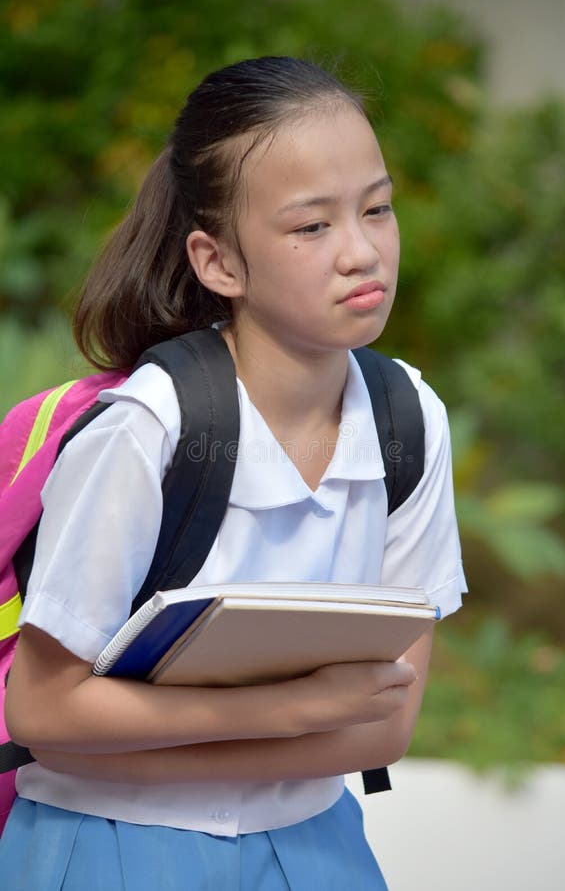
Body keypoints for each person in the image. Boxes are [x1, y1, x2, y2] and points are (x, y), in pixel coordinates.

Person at [0, 56, 467, 890]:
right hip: (110, 847)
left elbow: (385, 728)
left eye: (377, 208)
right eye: (311, 226)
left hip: (315, 848)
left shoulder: (409, 421)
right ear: (219, 262)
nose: (363, 251)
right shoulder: (150, 430)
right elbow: (42, 712)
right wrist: (289, 712)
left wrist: (147, 741)